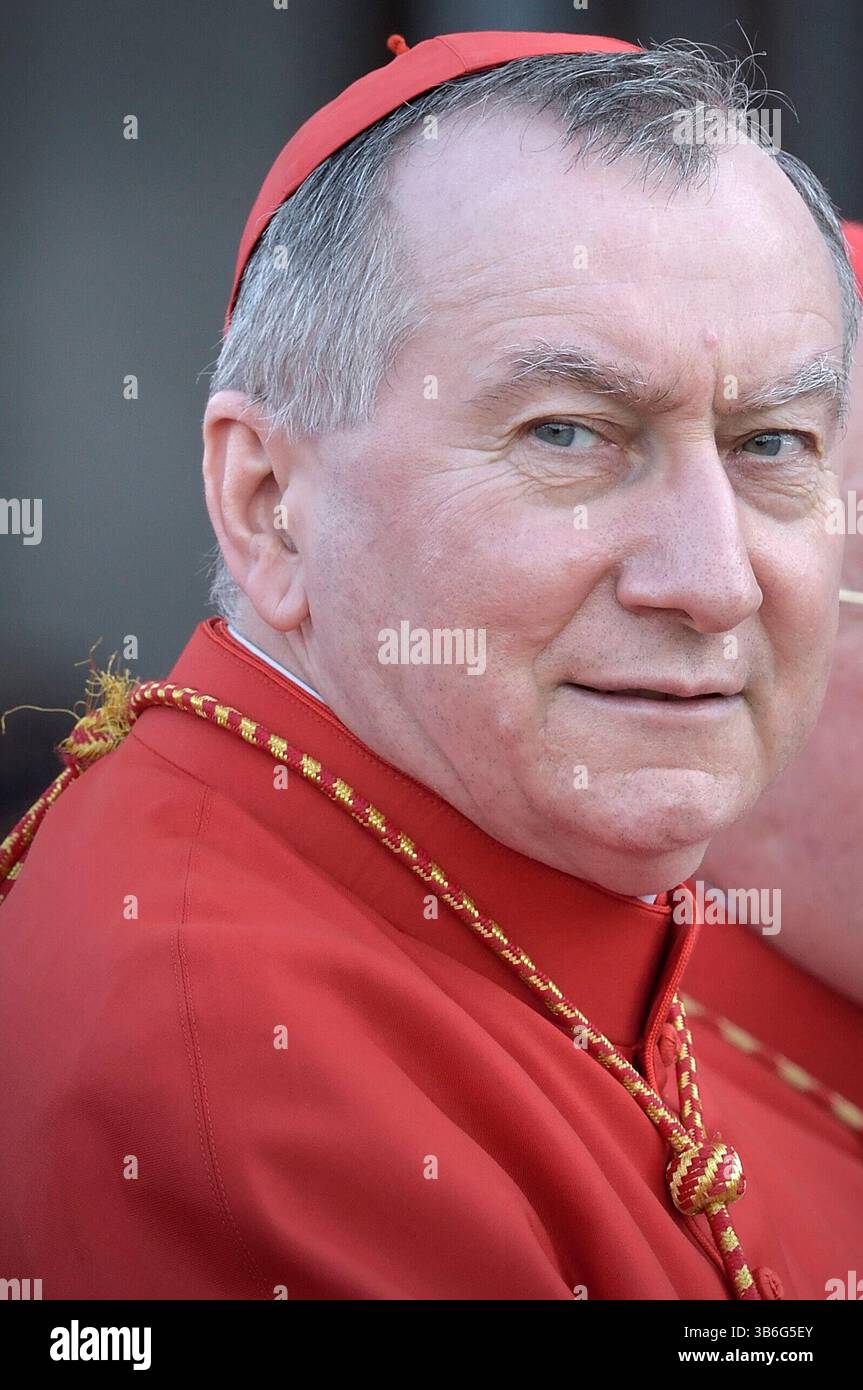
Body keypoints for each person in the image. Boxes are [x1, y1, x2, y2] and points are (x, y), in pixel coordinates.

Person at [1, 31, 861, 1302]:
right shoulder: (218, 1066)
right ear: (268, 501)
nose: (712, 577)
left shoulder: (509, 864)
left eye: (771, 443)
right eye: (567, 432)